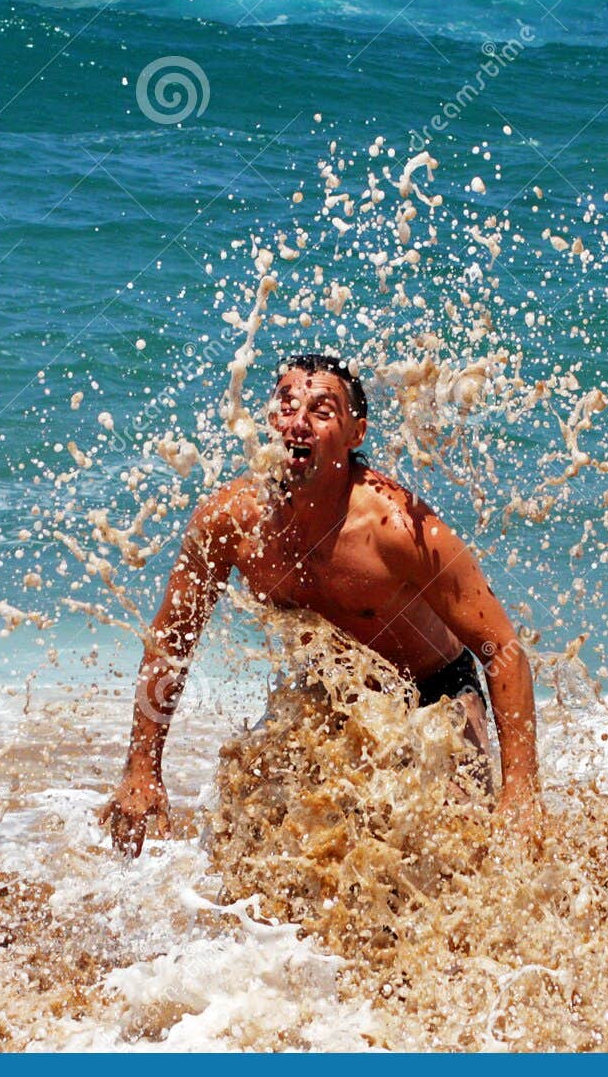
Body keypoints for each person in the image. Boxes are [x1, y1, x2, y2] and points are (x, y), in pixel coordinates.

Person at [99, 352, 541, 856]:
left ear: (356, 433)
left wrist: (521, 795)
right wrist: (141, 770)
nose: (299, 422)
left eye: (322, 409)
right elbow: (171, 643)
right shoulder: (231, 523)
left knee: (458, 851)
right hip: (331, 695)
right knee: (256, 845)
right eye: (286, 406)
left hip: (435, 696)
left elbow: (503, 651)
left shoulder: (397, 529)